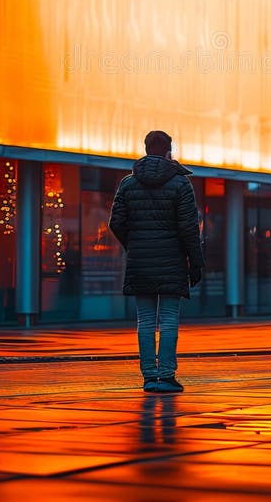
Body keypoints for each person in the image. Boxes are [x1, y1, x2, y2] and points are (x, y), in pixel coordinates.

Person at [109, 130, 204, 393]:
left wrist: (135, 244)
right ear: (168, 151)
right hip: (172, 260)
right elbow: (188, 228)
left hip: (141, 261)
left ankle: (149, 376)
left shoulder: (128, 183)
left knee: (146, 321)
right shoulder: (180, 184)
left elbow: (116, 222)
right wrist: (194, 262)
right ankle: (167, 375)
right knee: (170, 318)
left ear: (146, 148)